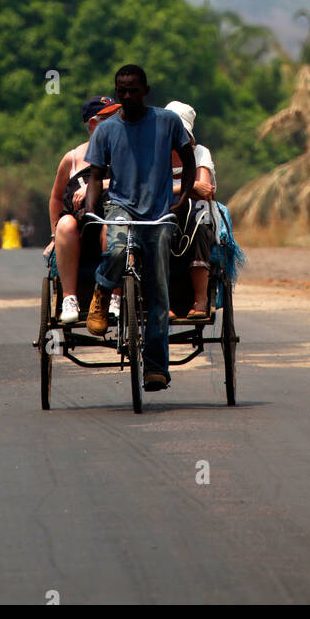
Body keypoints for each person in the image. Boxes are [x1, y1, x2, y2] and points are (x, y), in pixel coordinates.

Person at [84, 64, 196, 392]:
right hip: (120, 207)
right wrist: (92, 208)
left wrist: (182, 198)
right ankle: (103, 289)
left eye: (134, 90)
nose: (128, 96)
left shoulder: (167, 122)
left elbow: (188, 163)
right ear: (117, 92)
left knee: (158, 290)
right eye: (122, 91)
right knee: (116, 249)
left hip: (158, 212)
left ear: (145, 91)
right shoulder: (106, 130)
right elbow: (94, 175)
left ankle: (156, 368)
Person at [47, 96, 121, 324]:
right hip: (80, 226)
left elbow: (135, 182)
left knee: (112, 224)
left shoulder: (123, 152)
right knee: (65, 224)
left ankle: (115, 296)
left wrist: (97, 185)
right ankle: (70, 298)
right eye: (110, 118)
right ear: (94, 124)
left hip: (113, 220)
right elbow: (56, 198)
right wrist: (53, 235)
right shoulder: (73, 157)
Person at [164, 100, 218, 319]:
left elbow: (204, 190)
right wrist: (189, 185)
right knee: (153, 231)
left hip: (193, 215)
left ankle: (201, 299)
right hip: (164, 213)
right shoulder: (155, 153)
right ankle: (161, 301)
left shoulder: (199, 153)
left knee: (200, 224)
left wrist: (170, 188)